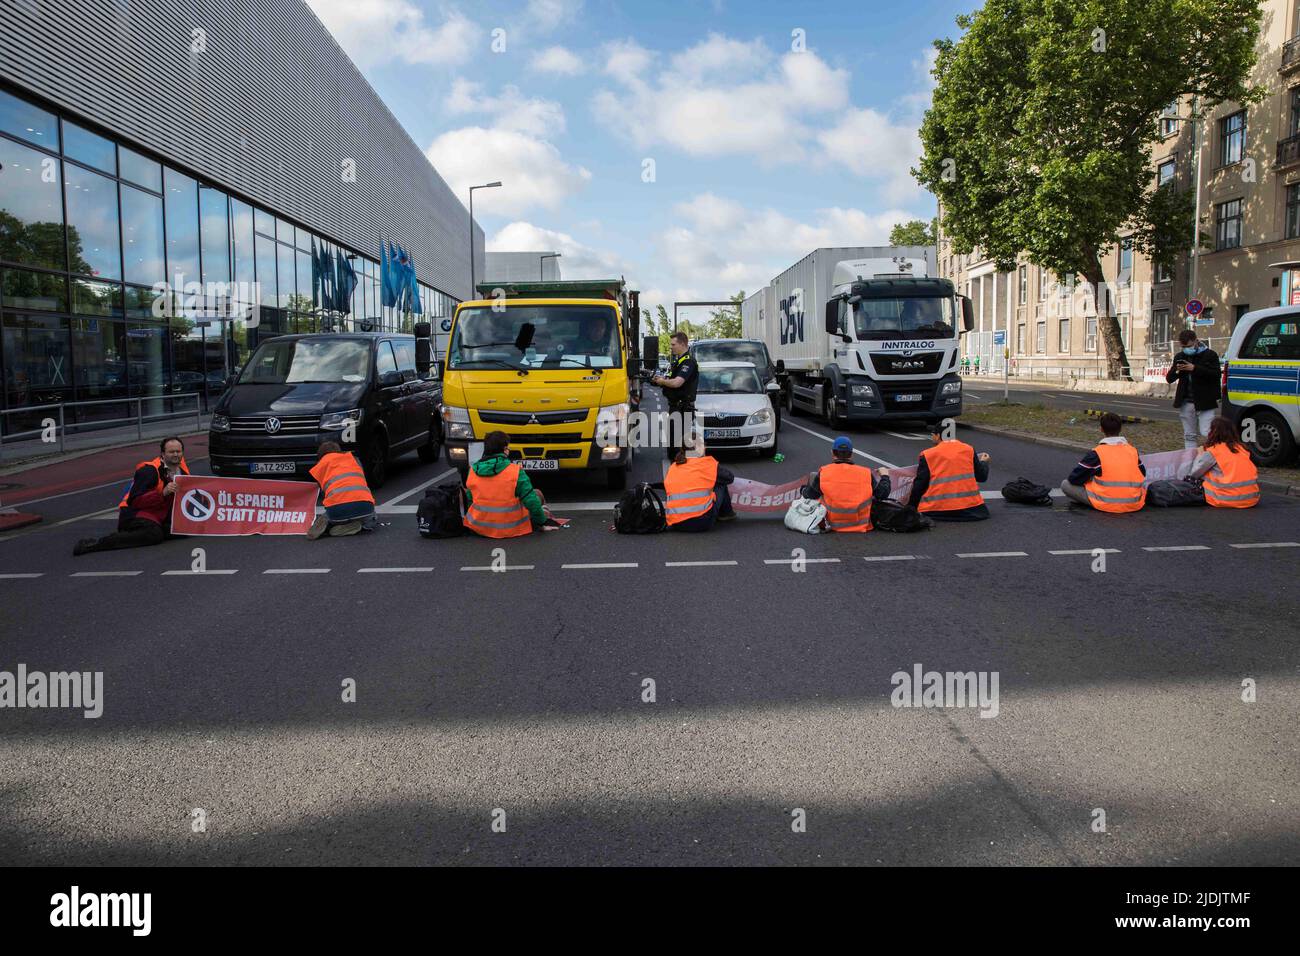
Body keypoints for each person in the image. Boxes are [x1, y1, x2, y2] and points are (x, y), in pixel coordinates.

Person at [73, 436, 189, 555]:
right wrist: (163, 493)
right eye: (171, 452)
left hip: (158, 516)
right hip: (134, 514)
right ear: (163, 454)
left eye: (178, 451)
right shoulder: (149, 471)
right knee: (153, 534)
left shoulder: (182, 470)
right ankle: (94, 544)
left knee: (182, 531)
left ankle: (149, 531)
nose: (175, 454)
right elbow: (136, 500)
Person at [462, 431, 551, 537]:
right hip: (511, 527)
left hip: (479, 527)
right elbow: (531, 501)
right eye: (508, 448)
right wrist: (541, 523)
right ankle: (546, 519)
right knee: (537, 494)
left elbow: (469, 499)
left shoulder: (473, 470)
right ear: (505, 450)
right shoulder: (515, 471)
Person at [1060, 412, 1147, 512]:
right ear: (1120, 429)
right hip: (1134, 503)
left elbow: (1074, 479)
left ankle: (1093, 502)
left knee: (1065, 484)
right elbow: (1143, 473)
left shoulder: (1097, 453)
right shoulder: (1132, 451)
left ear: (1101, 429)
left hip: (1107, 504)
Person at [802, 436, 891, 532]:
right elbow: (882, 494)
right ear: (851, 454)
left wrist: (803, 489)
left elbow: (810, 495)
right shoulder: (865, 473)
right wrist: (885, 476)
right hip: (860, 525)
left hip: (831, 524)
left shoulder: (824, 472)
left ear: (832, 452)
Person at [908, 425, 991, 520]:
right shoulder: (968, 449)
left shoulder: (928, 454)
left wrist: (911, 507)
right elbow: (982, 477)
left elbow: (920, 485)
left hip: (936, 510)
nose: (932, 437)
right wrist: (984, 462)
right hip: (973, 510)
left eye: (932, 435)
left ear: (938, 436)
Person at [307, 441, 376, 538]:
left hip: (337, 510)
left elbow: (324, 494)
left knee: (331, 512)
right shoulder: (354, 460)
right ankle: (362, 526)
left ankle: (330, 523)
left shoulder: (321, 465)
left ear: (321, 455)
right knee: (371, 519)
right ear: (339, 451)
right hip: (364, 506)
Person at [1166, 328, 1221, 449]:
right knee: (1189, 435)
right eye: (1183, 347)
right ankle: (1190, 459)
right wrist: (1176, 369)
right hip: (1186, 401)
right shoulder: (1180, 356)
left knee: (1207, 432)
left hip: (1206, 401)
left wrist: (1194, 368)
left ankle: (1212, 457)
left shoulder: (1210, 355)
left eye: (1189, 346)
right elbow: (1169, 379)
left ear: (1196, 341)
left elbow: (1216, 374)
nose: (1186, 349)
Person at [1190, 416, 1260, 508]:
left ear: (1213, 432)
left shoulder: (1214, 451)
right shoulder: (1241, 448)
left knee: (1204, 474)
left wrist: (1200, 454)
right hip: (1251, 499)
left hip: (1224, 498)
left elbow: (1194, 473)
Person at [664, 442, 735, 532]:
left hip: (676, 523)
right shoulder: (708, 463)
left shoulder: (673, 466)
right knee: (720, 482)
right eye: (703, 445)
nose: (705, 447)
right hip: (702, 522)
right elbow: (729, 478)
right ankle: (726, 514)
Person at [649, 331, 699, 460]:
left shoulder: (689, 362)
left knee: (678, 448)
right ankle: (676, 473)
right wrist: (661, 380)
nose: (671, 347)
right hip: (676, 408)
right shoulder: (679, 361)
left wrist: (663, 381)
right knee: (672, 446)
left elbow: (677, 383)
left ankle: (680, 476)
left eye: (673, 344)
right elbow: (671, 380)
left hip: (683, 409)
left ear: (682, 344)